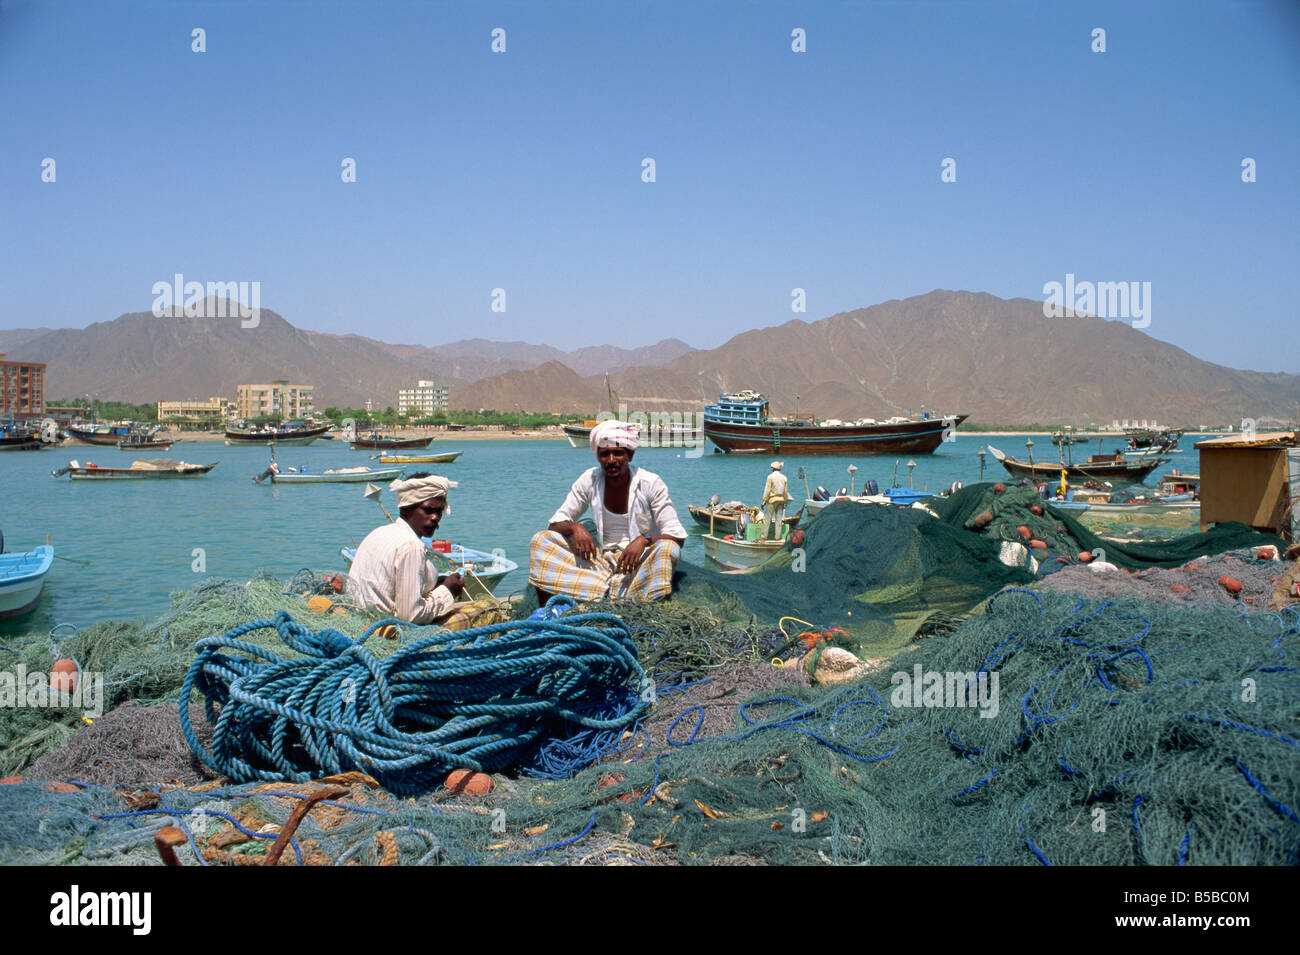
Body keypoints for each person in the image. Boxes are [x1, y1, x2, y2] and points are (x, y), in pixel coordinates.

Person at [530, 419, 687, 603]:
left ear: (630, 455)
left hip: (639, 562)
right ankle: (608, 591)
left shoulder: (651, 483)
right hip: (600, 561)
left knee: (668, 548)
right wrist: (575, 528)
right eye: (605, 454)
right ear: (597, 456)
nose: (611, 460)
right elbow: (554, 524)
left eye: (618, 453)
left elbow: (677, 536)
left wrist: (644, 540)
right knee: (541, 540)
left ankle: (622, 593)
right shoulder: (589, 479)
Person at [346, 473, 505, 630]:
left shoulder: (379, 532)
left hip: (361, 624)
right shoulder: (411, 546)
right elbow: (411, 616)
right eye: (428, 510)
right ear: (407, 509)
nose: (435, 517)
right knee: (486, 612)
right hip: (387, 632)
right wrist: (448, 590)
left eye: (439, 511)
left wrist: (437, 583)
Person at [759, 461, 791, 540]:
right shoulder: (784, 478)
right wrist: (785, 501)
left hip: (773, 500)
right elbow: (785, 492)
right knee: (779, 519)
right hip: (781, 499)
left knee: (767, 518)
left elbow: (767, 490)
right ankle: (777, 538)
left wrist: (763, 502)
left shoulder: (770, 477)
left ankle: (763, 537)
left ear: (773, 468)